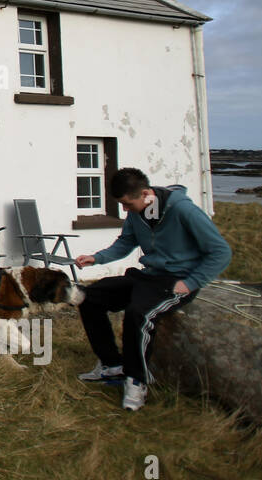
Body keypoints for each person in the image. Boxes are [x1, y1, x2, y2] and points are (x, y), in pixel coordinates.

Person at [73, 167, 232, 411]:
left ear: (146, 194)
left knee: (139, 314)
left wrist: (190, 283)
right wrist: (97, 258)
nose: (125, 210)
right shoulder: (139, 212)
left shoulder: (183, 210)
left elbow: (221, 252)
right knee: (89, 297)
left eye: (127, 204)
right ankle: (112, 366)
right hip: (148, 277)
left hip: (176, 281)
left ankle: (137, 381)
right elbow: (126, 242)